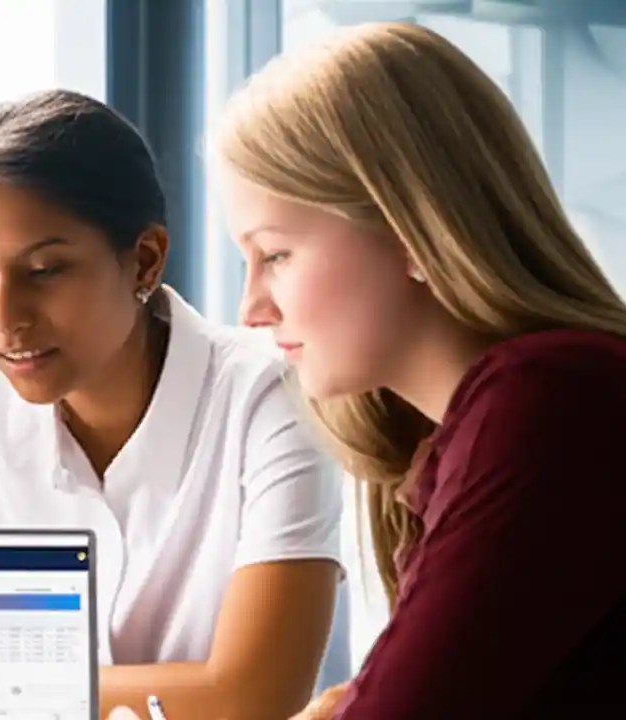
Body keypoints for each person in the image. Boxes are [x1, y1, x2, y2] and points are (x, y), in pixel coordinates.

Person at [0, 88, 344, 719]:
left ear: (144, 261)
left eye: (44, 270)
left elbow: (251, 695)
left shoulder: (270, 398)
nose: (4, 319)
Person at [208, 21, 626, 719]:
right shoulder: (487, 427)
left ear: (408, 230)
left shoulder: (551, 400)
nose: (251, 308)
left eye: (275, 255)